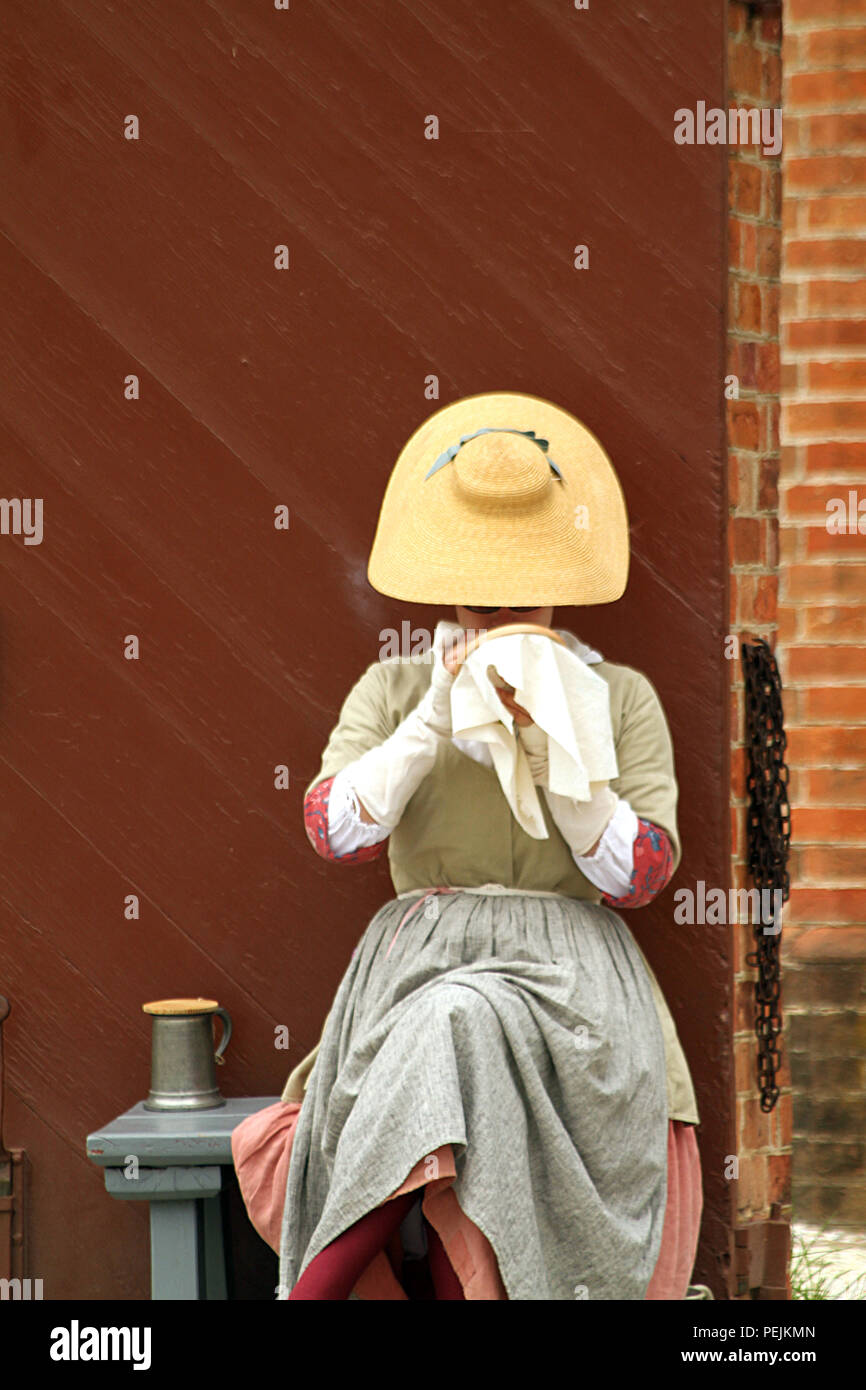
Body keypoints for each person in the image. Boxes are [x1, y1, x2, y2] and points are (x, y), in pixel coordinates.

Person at [233, 392, 702, 1300]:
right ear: (452, 586)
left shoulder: (619, 698)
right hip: (419, 970)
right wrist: (429, 723)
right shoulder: (394, 687)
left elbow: (641, 874)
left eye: (524, 597)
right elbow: (334, 831)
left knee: (466, 1023)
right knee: (456, 1019)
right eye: (485, 599)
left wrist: (564, 759)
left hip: (571, 981)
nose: (502, 615)